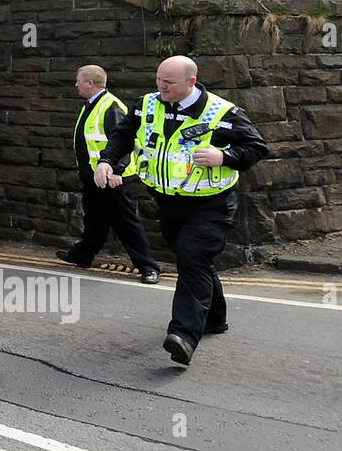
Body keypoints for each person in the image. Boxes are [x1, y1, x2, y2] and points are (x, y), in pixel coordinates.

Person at [95, 55, 268, 366]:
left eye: (169, 82)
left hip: (211, 203)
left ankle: (184, 335)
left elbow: (257, 148)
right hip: (169, 202)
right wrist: (106, 161)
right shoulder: (146, 104)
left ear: (191, 81)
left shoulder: (224, 113)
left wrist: (224, 156)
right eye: (159, 79)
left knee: (191, 256)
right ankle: (215, 318)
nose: (161, 86)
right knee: (194, 260)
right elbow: (123, 135)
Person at [57, 65, 160, 284]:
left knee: (126, 223)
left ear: (90, 84)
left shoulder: (111, 106)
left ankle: (149, 267)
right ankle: (83, 255)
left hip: (111, 178)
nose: (76, 84)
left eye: (78, 80)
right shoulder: (92, 105)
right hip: (95, 177)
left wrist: (117, 172)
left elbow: (123, 142)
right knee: (94, 219)